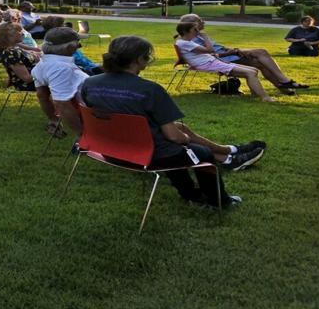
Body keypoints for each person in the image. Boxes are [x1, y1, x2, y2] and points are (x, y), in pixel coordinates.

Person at [79, 36, 265, 209]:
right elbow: (173, 136)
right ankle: (219, 201)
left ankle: (196, 190)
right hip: (146, 155)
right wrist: (186, 138)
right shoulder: (150, 90)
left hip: (110, 150)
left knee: (177, 147)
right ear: (139, 60)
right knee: (200, 153)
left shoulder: (90, 83)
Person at [182, 14, 308, 93]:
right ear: (193, 24)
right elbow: (210, 56)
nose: (203, 21)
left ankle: (284, 87)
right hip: (224, 59)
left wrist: (234, 50)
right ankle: (284, 82)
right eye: (200, 20)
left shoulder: (198, 35)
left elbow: (218, 48)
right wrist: (232, 52)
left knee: (261, 62)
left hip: (230, 54)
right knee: (261, 53)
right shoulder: (192, 39)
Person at [32, 27, 91, 139]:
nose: (80, 46)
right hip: (95, 111)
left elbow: (42, 96)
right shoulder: (62, 68)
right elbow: (62, 103)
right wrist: (81, 135)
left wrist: (54, 120)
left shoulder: (42, 65)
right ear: (70, 47)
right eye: (78, 43)